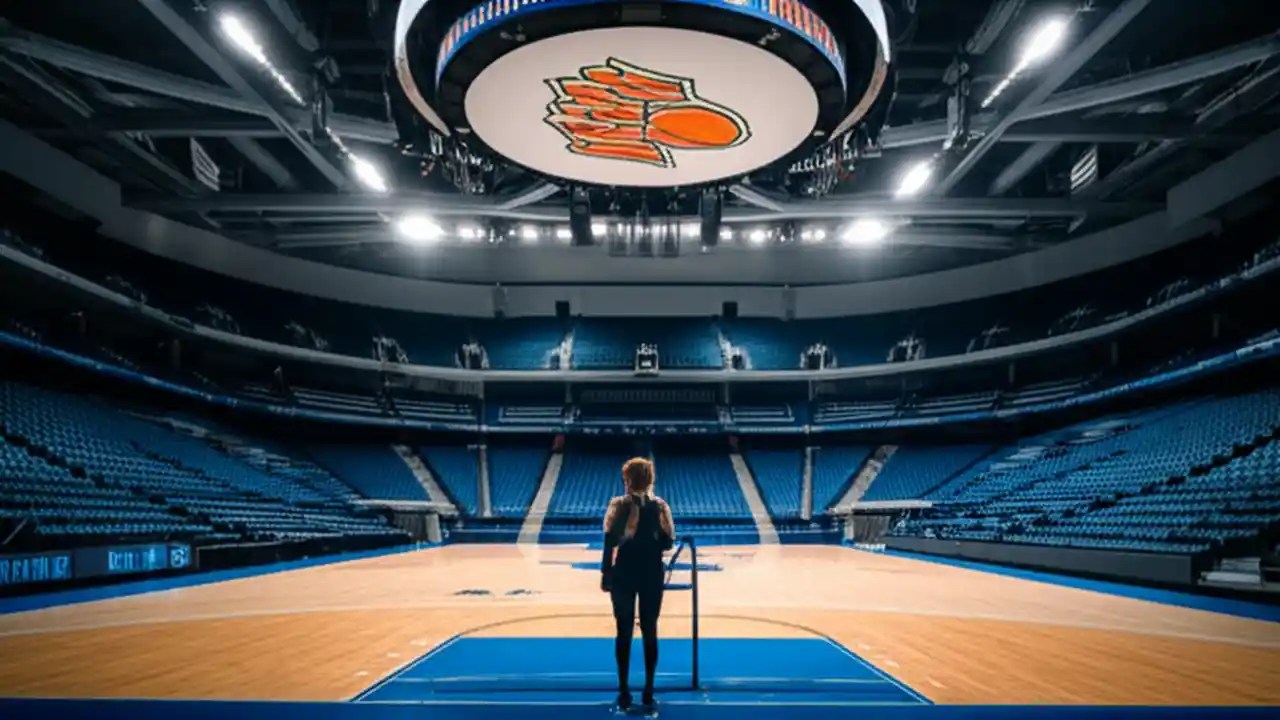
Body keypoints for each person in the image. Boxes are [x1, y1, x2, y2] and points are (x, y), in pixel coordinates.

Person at [601, 457, 675, 711]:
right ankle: (648, 690)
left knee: (624, 630)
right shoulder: (660, 507)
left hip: (624, 573)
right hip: (651, 572)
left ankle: (624, 690)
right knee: (649, 628)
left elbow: (609, 541)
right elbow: (668, 543)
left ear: (628, 480)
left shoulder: (618, 505)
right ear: (650, 480)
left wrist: (605, 575)